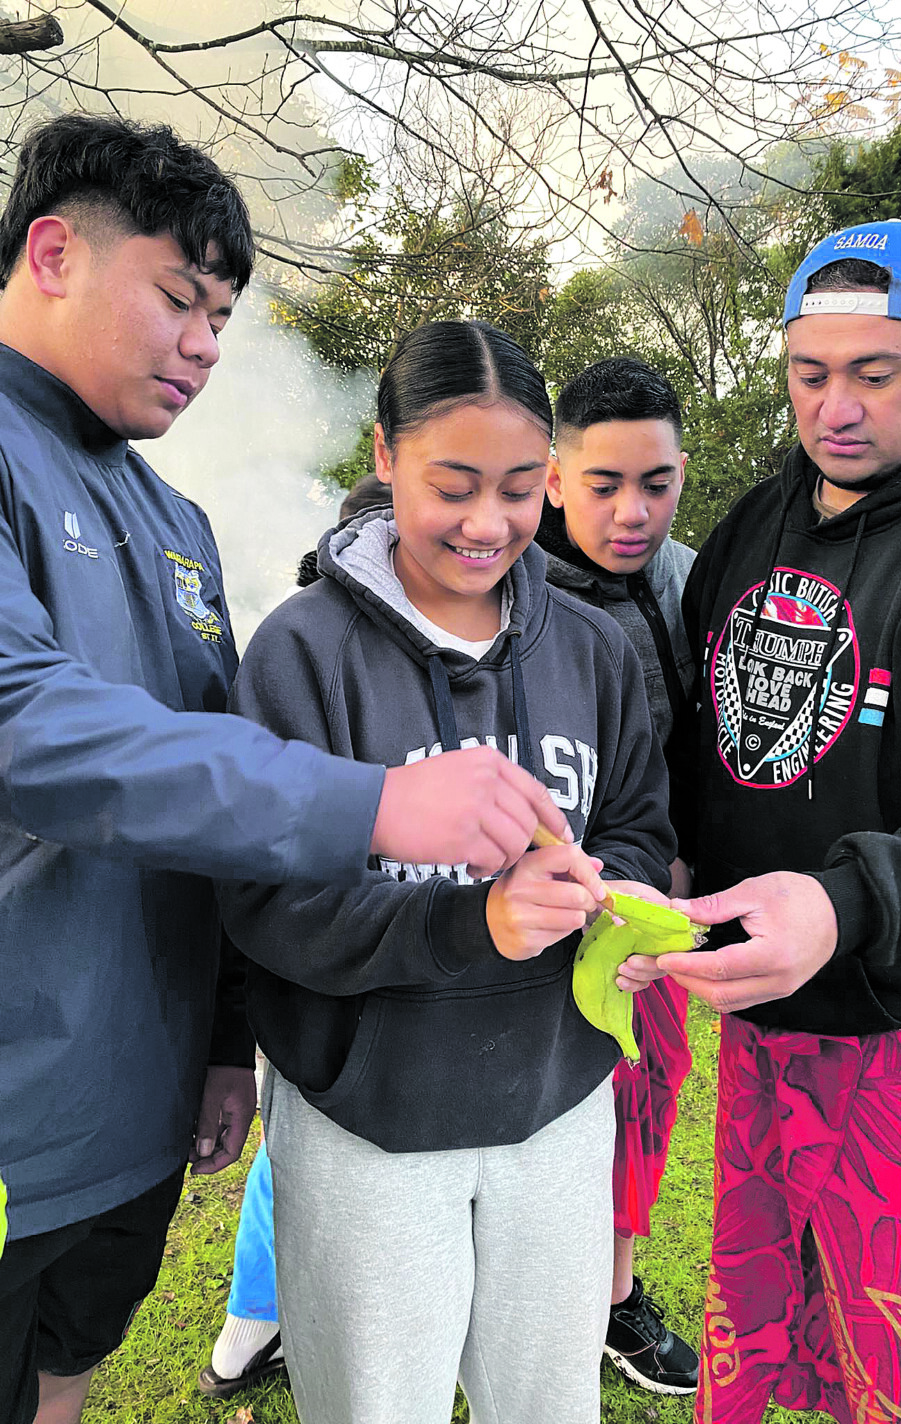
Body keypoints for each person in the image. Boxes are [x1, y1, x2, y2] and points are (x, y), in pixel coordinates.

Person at [0, 116, 573, 1424]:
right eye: (181, 301)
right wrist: (375, 802)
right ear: (52, 253)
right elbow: (25, 725)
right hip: (11, 1112)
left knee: (63, 1374)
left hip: (126, 1123)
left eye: (226, 318)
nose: (207, 344)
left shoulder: (174, 519)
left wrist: (221, 1041)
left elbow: (212, 803)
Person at [620, 220, 901, 1424]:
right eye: (811, 373)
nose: (838, 408)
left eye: (877, 372)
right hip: (775, 1023)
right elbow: (708, 721)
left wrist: (844, 899)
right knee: (773, 1331)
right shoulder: (760, 525)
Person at [217, 319, 677, 1424]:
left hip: (559, 1107)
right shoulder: (300, 654)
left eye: (521, 488)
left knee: (549, 1401)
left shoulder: (592, 646)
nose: (489, 522)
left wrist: (618, 895)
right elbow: (266, 904)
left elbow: (638, 823)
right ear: (385, 456)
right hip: (367, 1123)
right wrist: (478, 922)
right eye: (453, 483)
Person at [197, 474, 396, 1402]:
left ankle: (254, 1328)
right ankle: (254, 1329)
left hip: (369, 981)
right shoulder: (304, 656)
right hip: (319, 982)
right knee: (298, 1155)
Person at [538, 357, 699, 1395]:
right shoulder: (506, 577)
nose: (632, 511)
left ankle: (610, 1299)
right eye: (603, 484)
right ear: (554, 475)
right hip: (523, 908)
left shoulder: (690, 572)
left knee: (646, 1094)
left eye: (658, 480)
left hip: (652, 905)